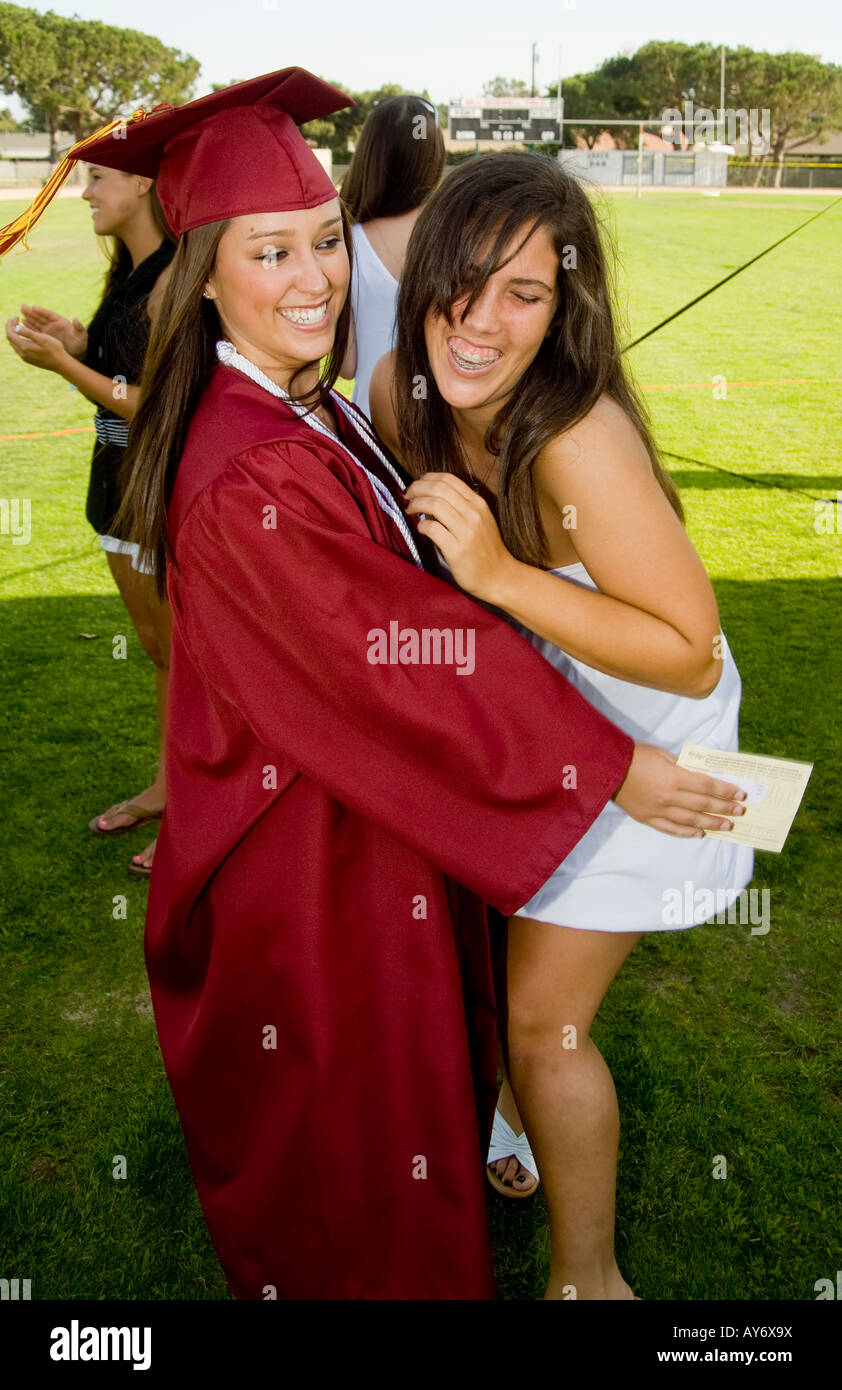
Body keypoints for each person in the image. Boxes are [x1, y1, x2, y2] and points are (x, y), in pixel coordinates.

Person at [17, 72, 745, 1301]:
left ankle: (530, 1199)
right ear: (204, 272)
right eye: (269, 251)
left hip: (355, 803)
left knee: (459, 1048)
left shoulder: (294, 408)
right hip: (310, 846)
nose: (310, 277)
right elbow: (399, 658)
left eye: (318, 242)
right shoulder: (255, 466)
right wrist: (608, 761)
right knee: (357, 1119)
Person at [371, 151, 754, 1298]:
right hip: (533, 713)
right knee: (496, 941)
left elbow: (685, 653)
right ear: (425, 267)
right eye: (465, 281)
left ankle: (588, 1280)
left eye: (524, 294)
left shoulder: (579, 434)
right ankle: (505, 1108)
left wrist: (495, 572)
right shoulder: (403, 389)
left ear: (561, 306)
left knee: (546, 1025)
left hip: (649, 722)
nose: (480, 323)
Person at [4, 164, 176, 876]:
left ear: (140, 181)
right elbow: (119, 379)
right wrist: (78, 345)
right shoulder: (129, 270)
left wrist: (62, 369)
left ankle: (200, 816)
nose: (85, 194)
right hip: (116, 488)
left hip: (162, 492)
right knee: (160, 651)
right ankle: (172, 784)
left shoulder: (175, 275)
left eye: (98, 178)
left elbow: (163, 405)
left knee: (192, 661)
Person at [339, 95, 444, 416]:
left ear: (370, 155)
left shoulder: (343, 243)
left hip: (371, 430)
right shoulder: (459, 236)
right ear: (433, 156)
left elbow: (347, 365)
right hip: (444, 426)